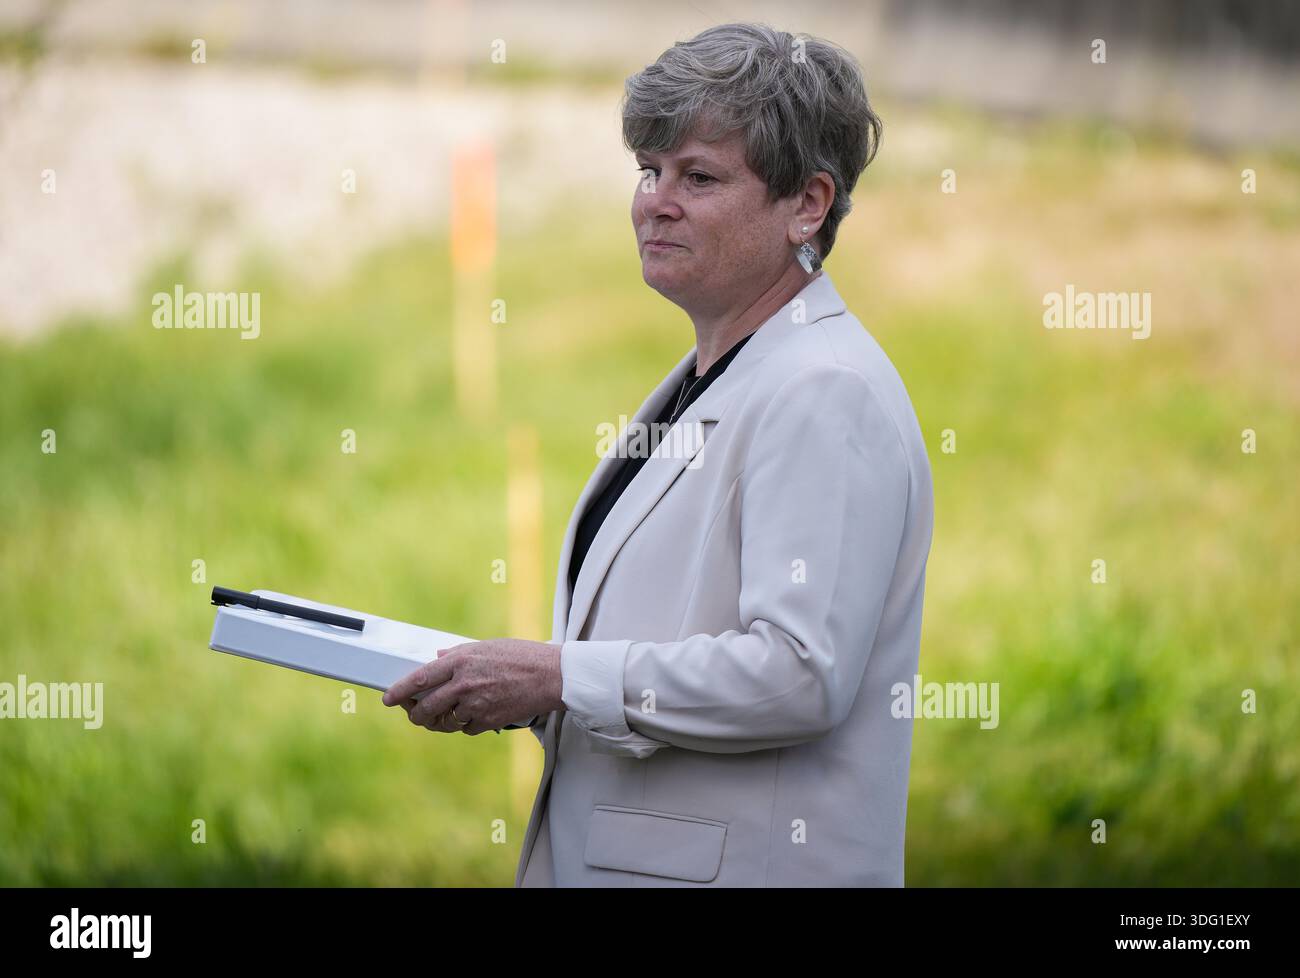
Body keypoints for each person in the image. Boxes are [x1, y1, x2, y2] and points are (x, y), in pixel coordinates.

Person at [383, 22, 934, 887]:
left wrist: (561, 678)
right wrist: (531, 682)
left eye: (699, 177)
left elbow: (798, 674)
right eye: (650, 171)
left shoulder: (826, 392)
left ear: (809, 204)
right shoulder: (724, 370)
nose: (654, 201)